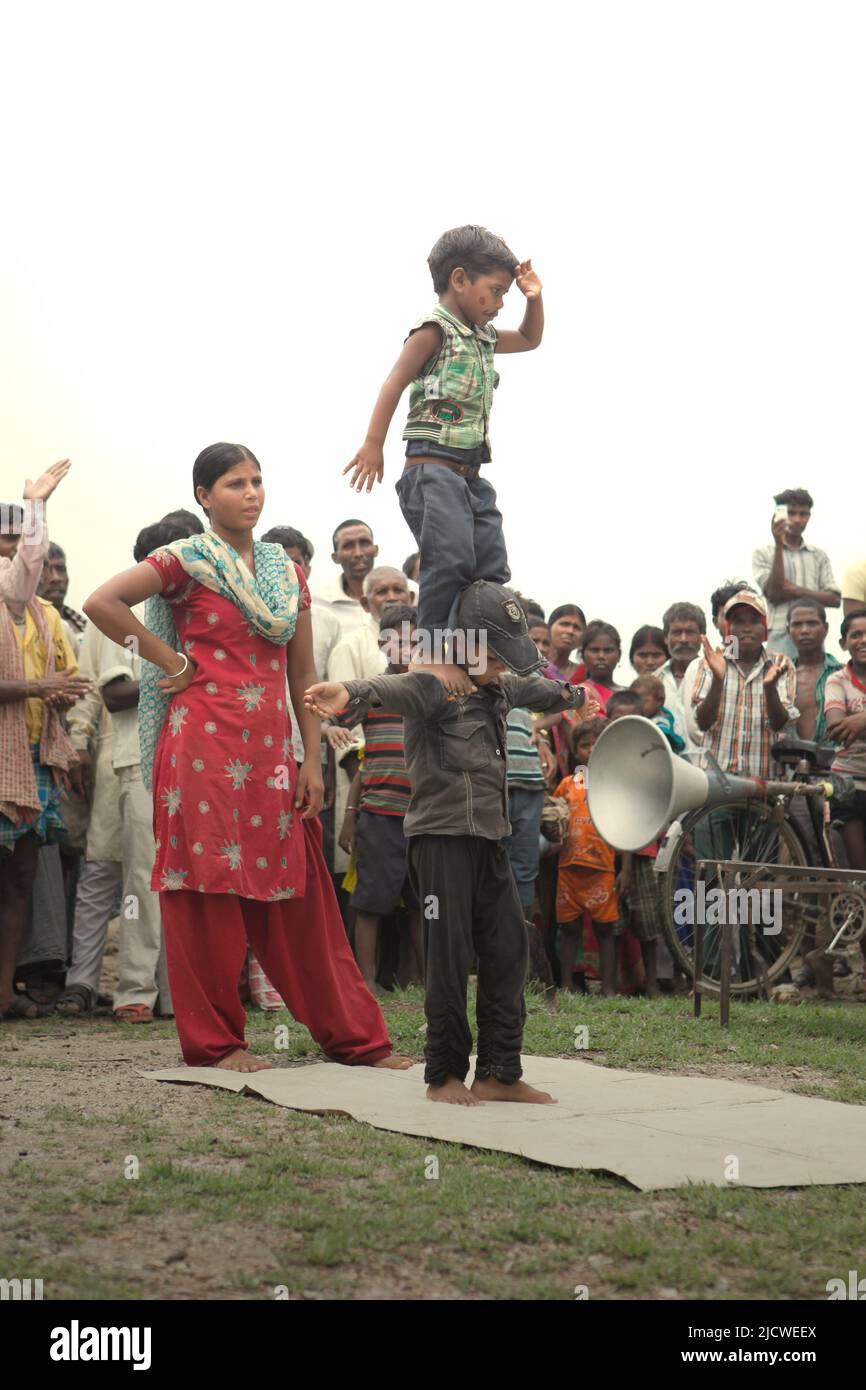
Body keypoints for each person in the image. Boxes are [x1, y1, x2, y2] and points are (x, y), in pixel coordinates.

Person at [82, 442, 410, 1074]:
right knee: (205, 894)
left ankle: (356, 1039)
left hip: (274, 754)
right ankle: (219, 1044)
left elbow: (305, 674)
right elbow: (103, 604)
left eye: (258, 481)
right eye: (235, 483)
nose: (252, 493)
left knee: (301, 896)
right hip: (199, 747)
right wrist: (170, 661)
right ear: (205, 496)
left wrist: (312, 760)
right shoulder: (186, 560)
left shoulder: (285, 574)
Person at [306, 581, 601, 1107]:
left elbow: (538, 691)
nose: (505, 666)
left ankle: (499, 1072)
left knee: (508, 949)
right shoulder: (431, 686)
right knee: (448, 954)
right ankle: (442, 1074)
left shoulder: (500, 688)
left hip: (492, 837)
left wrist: (576, 698)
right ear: (464, 644)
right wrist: (345, 692)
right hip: (441, 840)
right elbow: (385, 689)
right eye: (497, 654)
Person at [344, 225, 544, 672]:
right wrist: (373, 444)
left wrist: (534, 299)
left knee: (489, 565)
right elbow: (395, 381)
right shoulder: (434, 330)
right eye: (494, 292)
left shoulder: (485, 338)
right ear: (459, 280)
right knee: (449, 559)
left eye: (505, 296)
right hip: (432, 469)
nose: (498, 305)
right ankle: (431, 653)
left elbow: (531, 339)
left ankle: (476, 652)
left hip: (470, 476)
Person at [59, 512, 204, 1021]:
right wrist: (185, 671)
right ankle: (135, 991)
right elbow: (117, 695)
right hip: (137, 759)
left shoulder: (200, 611)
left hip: (197, 757)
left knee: (188, 878)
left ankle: (176, 992)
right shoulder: (122, 612)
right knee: (143, 880)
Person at [0, 462, 93, 1020]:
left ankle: (4, 992)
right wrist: (35, 506)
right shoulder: (11, 596)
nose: (14, 547)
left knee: (20, 881)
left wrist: (58, 695)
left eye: (19, 535)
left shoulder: (44, 615)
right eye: (7, 536)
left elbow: (66, 679)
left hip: (32, 754)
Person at [340, 605, 422, 992]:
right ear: (382, 644)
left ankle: (424, 982)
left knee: (424, 905)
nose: (406, 647)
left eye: (414, 639)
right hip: (379, 814)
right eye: (397, 639)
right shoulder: (371, 692)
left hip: (426, 817)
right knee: (371, 900)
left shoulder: (432, 692)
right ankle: (365, 982)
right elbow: (361, 757)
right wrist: (349, 816)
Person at [691, 591, 798, 777]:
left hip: (763, 783)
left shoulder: (781, 664)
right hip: (717, 782)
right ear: (729, 628)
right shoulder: (711, 662)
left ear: (765, 628)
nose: (746, 628)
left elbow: (780, 724)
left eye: (754, 621)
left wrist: (769, 688)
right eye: (739, 621)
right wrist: (718, 680)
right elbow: (702, 723)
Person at [605, 690, 663, 996]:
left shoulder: (652, 756)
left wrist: (626, 868)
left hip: (642, 850)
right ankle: (612, 985)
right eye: (618, 719)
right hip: (608, 851)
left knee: (647, 920)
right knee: (614, 922)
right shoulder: (603, 756)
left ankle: (651, 984)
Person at [554, 718, 618, 995]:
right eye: (584, 745)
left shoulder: (616, 787)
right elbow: (554, 819)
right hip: (569, 868)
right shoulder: (568, 785)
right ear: (575, 751)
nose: (591, 750)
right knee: (569, 929)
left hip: (603, 868)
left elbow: (625, 830)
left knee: (606, 931)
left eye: (597, 744)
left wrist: (623, 870)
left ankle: (609, 988)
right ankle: (567, 984)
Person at [752, 488, 840, 658]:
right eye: (791, 513)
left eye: (803, 514)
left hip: (813, 631)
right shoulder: (764, 553)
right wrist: (779, 544)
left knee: (812, 679)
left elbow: (835, 599)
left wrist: (797, 591)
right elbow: (774, 593)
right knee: (778, 680)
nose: (798, 520)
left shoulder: (818, 555)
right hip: (779, 631)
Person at [787, 599, 841, 742]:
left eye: (812, 623)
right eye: (797, 624)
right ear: (788, 631)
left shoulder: (844, 675)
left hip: (836, 760)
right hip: (789, 760)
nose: (804, 630)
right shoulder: (780, 678)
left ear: (826, 628)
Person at [314, 520, 379, 637]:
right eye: (348, 546)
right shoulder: (317, 603)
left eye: (364, 543)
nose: (358, 553)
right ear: (335, 558)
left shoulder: (408, 593)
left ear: (376, 550)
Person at [37, 542, 87, 650]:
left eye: (60, 569)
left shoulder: (83, 624)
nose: (56, 578)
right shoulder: (25, 626)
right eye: (47, 570)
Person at [630, 673, 685, 753]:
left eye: (643, 702)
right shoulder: (648, 715)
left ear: (660, 701)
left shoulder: (661, 722)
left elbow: (659, 738)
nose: (638, 706)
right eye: (634, 701)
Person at [544, 605, 587, 683]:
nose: (570, 631)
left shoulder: (585, 673)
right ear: (549, 627)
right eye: (564, 624)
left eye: (577, 627)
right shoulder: (533, 667)